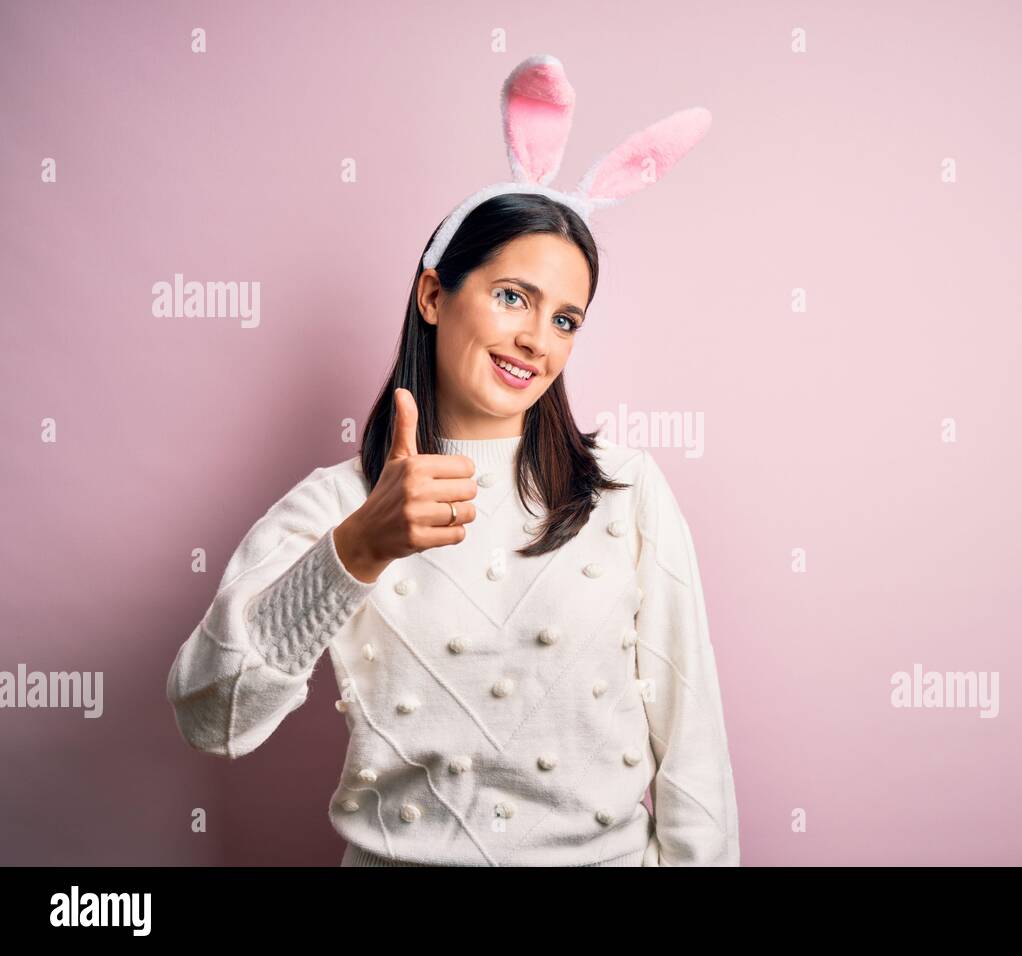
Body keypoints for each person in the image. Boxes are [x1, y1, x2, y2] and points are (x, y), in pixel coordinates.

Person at [166, 166, 739, 864]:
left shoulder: (627, 490)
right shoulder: (342, 505)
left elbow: (693, 744)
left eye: (564, 320)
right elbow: (209, 717)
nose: (537, 339)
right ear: (434, 295)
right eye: (511, 297)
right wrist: (355, 553)